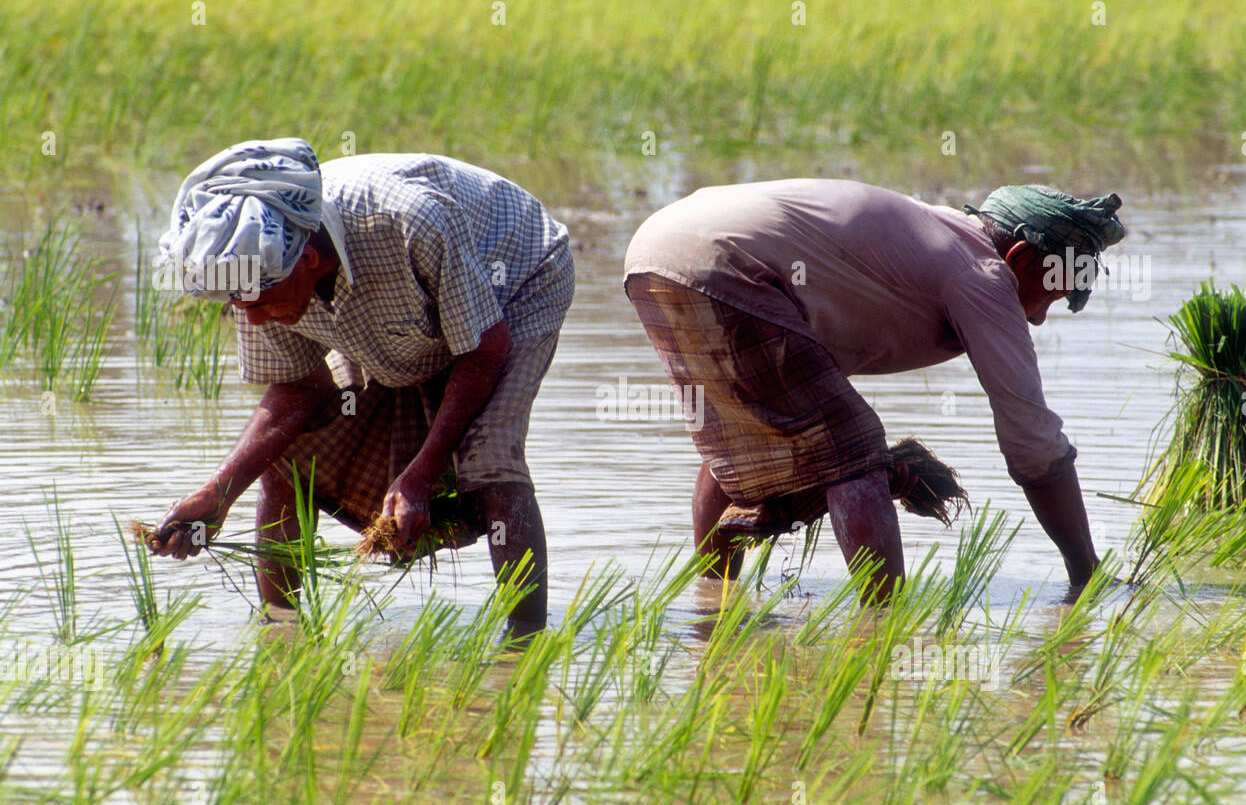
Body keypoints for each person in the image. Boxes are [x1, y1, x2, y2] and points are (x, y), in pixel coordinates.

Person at [147, 138, 572, 635]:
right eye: (241, 306)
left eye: (261, 302)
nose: (256, 320)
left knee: (490, 457)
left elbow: (483, 350)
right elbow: (297, 393)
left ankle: (525, 646)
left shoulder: (410, 221)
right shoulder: (258, 271)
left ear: (307, 259)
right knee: (288, 459)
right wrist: (218, 494)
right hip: (404, 316)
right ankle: (281, 627)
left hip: (515, 283)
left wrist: (420, 473)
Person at [623, 181, 1126, 599]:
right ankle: (882, 625)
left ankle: (713, 600)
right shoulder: (982, 273)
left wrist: (892, 476)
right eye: (1050, 296)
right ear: (1019, 257)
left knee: (735, 434)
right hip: (726, 261)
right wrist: (1086, 570)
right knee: (856, 448)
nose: (1037, 318)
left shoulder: (928, 236)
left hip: (656, 249)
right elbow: (1032, 438)